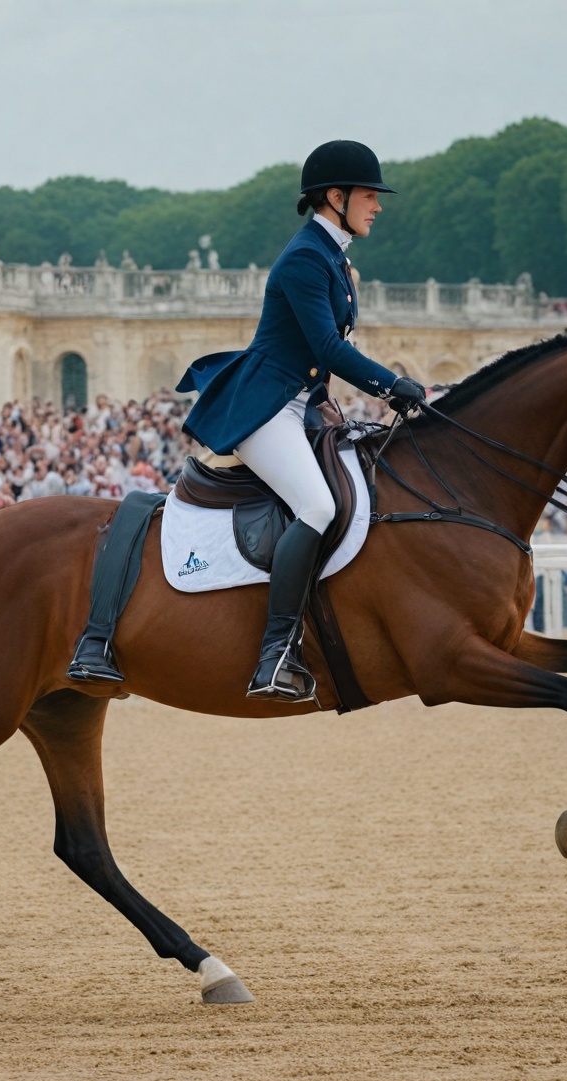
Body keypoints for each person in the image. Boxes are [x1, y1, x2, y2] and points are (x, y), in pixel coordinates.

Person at [174, 140, 426, 701]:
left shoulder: (332, 255)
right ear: (335, 197)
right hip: (266, 408)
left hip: (299, 403)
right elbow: (328, 349)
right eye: (368, 195)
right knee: (318, 505)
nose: (377, 206)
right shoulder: (306, 258)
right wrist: (395, 387)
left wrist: (331, 403)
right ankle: (276, 652)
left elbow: (321, 360)